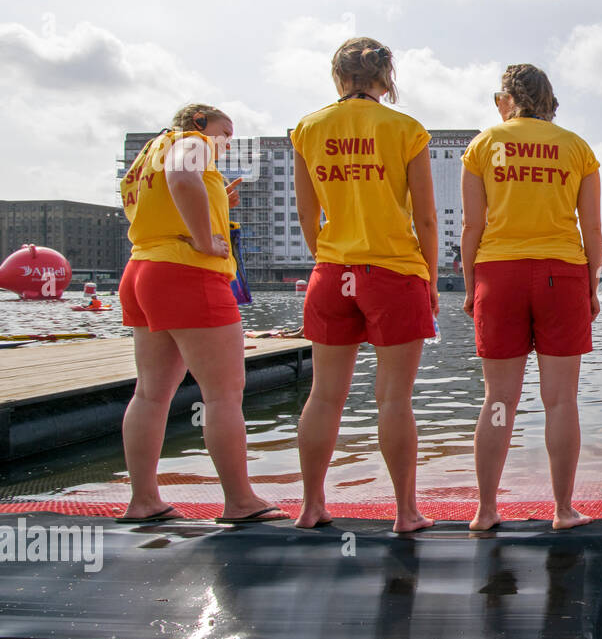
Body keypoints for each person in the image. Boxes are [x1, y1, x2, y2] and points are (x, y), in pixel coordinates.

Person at [292, 37, 439, 533]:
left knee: (324, 396)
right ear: (384, 79)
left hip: (332, 272)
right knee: (394, 399)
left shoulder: (309, 129)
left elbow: (306, 214)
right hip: (394, 270)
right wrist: (431, 278)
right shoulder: (405, 129)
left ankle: (311, 505)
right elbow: (426, 219)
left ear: (339, 77)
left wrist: (328, 259)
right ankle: (405, 512)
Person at [117, 104, 287, 524]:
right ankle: (240, 501)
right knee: (224, 394)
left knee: (151, 393)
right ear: (198, 124)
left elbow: (162, 194)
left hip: (143, 269)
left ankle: (143, 500)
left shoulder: (150, 152)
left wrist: (216, 206)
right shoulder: (191, 142)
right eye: (224, 133)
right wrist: (204, 237)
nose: (227, 143)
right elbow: (182, 178)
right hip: (187, 273)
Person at [461, 64, 602, 531]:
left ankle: (485, 511)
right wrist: (591, 285)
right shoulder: (577, 148)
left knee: (499, 399)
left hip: (498, 274)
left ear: (508, 97)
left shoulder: (483, 145)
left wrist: (469, 287)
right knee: (561, 400)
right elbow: (593, 229)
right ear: (550, 98)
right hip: (561, 273)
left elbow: (471, 228)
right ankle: (563, 510)